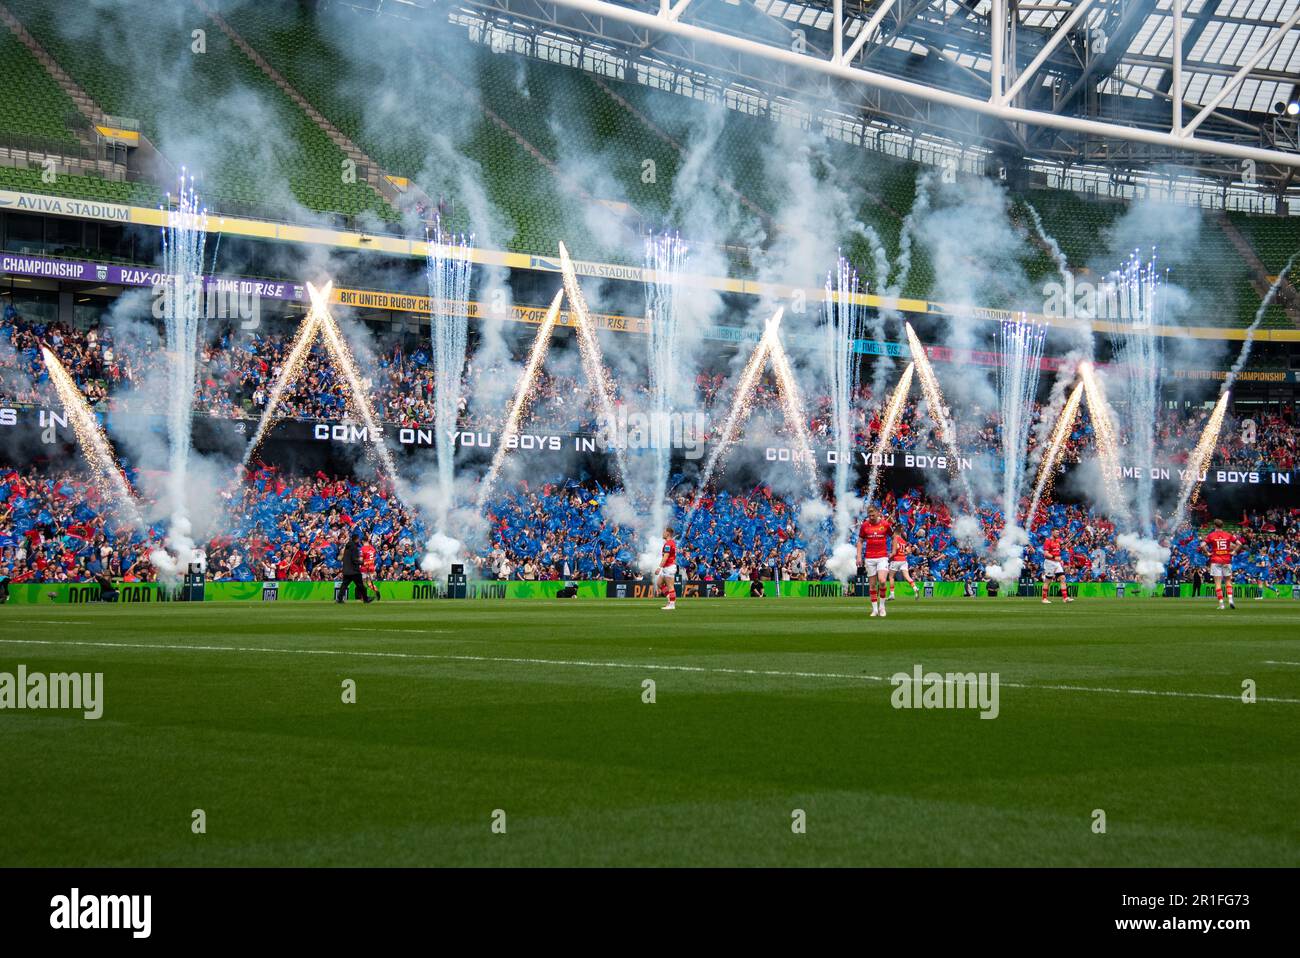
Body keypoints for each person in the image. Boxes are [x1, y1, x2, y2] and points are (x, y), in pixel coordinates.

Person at [857, 504, 891, 618]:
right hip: (869, 558)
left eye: (873, 514)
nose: (871, 516)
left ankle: (882, 607)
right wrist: (858, 556)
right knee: (872, 585)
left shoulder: (885, 524)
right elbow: (860, 541)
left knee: (882, 581)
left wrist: (894, 550)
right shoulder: (865, 526)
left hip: (882, 556)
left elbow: (894, 536)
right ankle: (875, 610)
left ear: (878, 513)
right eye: (869, 515)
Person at [1201, 518, 1240, 611]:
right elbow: (1239, 544)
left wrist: (1207, 553)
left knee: (1218, 584)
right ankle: (1231, 600)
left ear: (1214, 526)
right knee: (1228, 581)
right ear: (1222, 526)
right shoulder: (1228, 535)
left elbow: (1202, 545)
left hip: (1215, 560)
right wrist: (1234, 552)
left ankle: (1221, 604)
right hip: (1227, 560)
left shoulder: (1211, 535)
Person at [337, 532, 372, 604]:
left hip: (346, 570)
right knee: (360, 585)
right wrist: (363, 563)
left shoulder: (347, 547)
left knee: (344, 585)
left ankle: (339, 599)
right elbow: (355, 560)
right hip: (354, 570)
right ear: (356, 539)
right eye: (358, 539)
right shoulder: (354, 548)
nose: (359, 540)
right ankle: (365, 599)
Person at [1040, 532, 1072, 605]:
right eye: (1056, 532)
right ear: (1052, 533)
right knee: (1048, 580)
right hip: (1049, 562)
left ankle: (1065, 598)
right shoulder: (1048, 541)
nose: (1058, 533)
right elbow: (1046, 554)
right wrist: (1054, 557)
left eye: (1058, 532)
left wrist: (1064, 545)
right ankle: (1044, 598)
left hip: (1057, 563)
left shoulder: (1058, 541)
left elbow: (1060, 547)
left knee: (1063, 578)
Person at [887, 532, 918, 601]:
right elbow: (909, 551)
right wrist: (903, 553)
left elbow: (896, 548)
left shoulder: (895, 539)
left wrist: (889, 557)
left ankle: (892, 594)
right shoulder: (903, 541)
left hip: (896, 560)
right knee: (907, 577)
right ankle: (915, 588)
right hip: (903, 560)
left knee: (891, 577)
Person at [655, 525, 678, 611]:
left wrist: (659, 567)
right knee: (659, 583)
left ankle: (672, 604)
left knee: (670, 586)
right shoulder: (670, 543)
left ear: (668, 533)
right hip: (667, 567)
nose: (663, 533)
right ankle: (669, 599)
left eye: (664, 532)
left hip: (669, 567)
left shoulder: (668, 544)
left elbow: (666, 557)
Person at [360, 536, 379, 601]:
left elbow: (361, 559)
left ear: (362, 541)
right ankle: (376, 590)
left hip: (365, 567)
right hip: (371, 567)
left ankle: (364, 597)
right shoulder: (372, 548)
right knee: (369, 582)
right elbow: (374, 558)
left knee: (363, 583)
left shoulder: (362, 549)